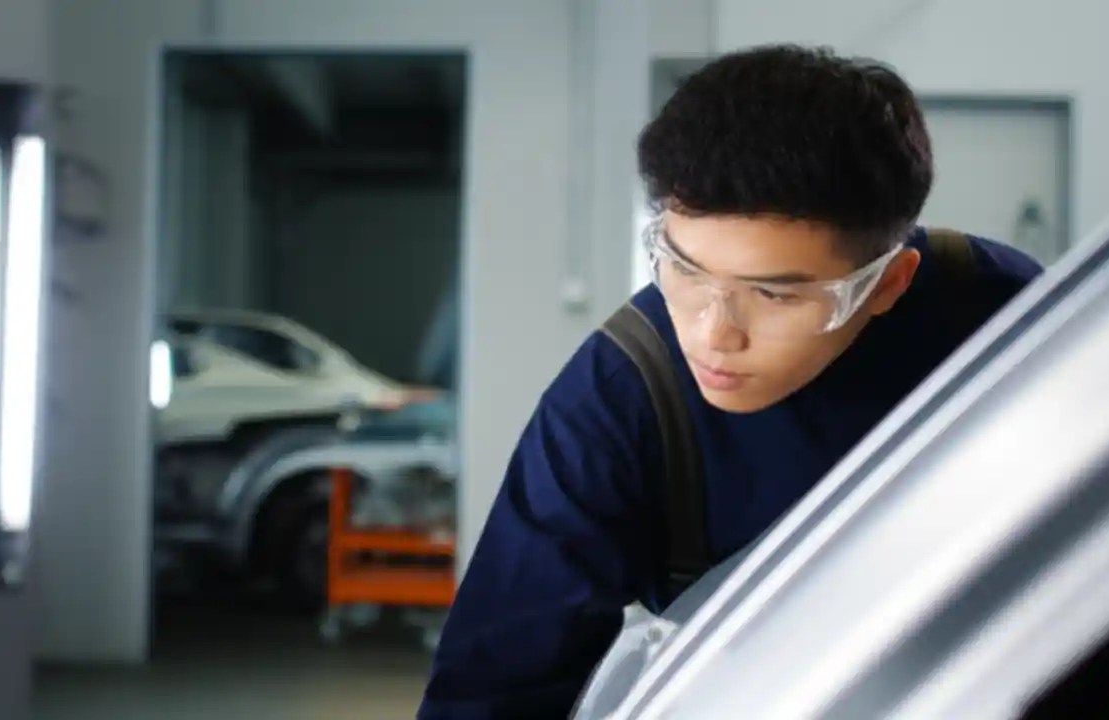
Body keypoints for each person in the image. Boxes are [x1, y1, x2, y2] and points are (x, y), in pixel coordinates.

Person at [418, 44, 1042, 718]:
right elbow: (495, 688)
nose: (713, 333)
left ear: (887, 284)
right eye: (684, 269)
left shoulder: (995, 321)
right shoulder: (621, 396)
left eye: (773, 296)